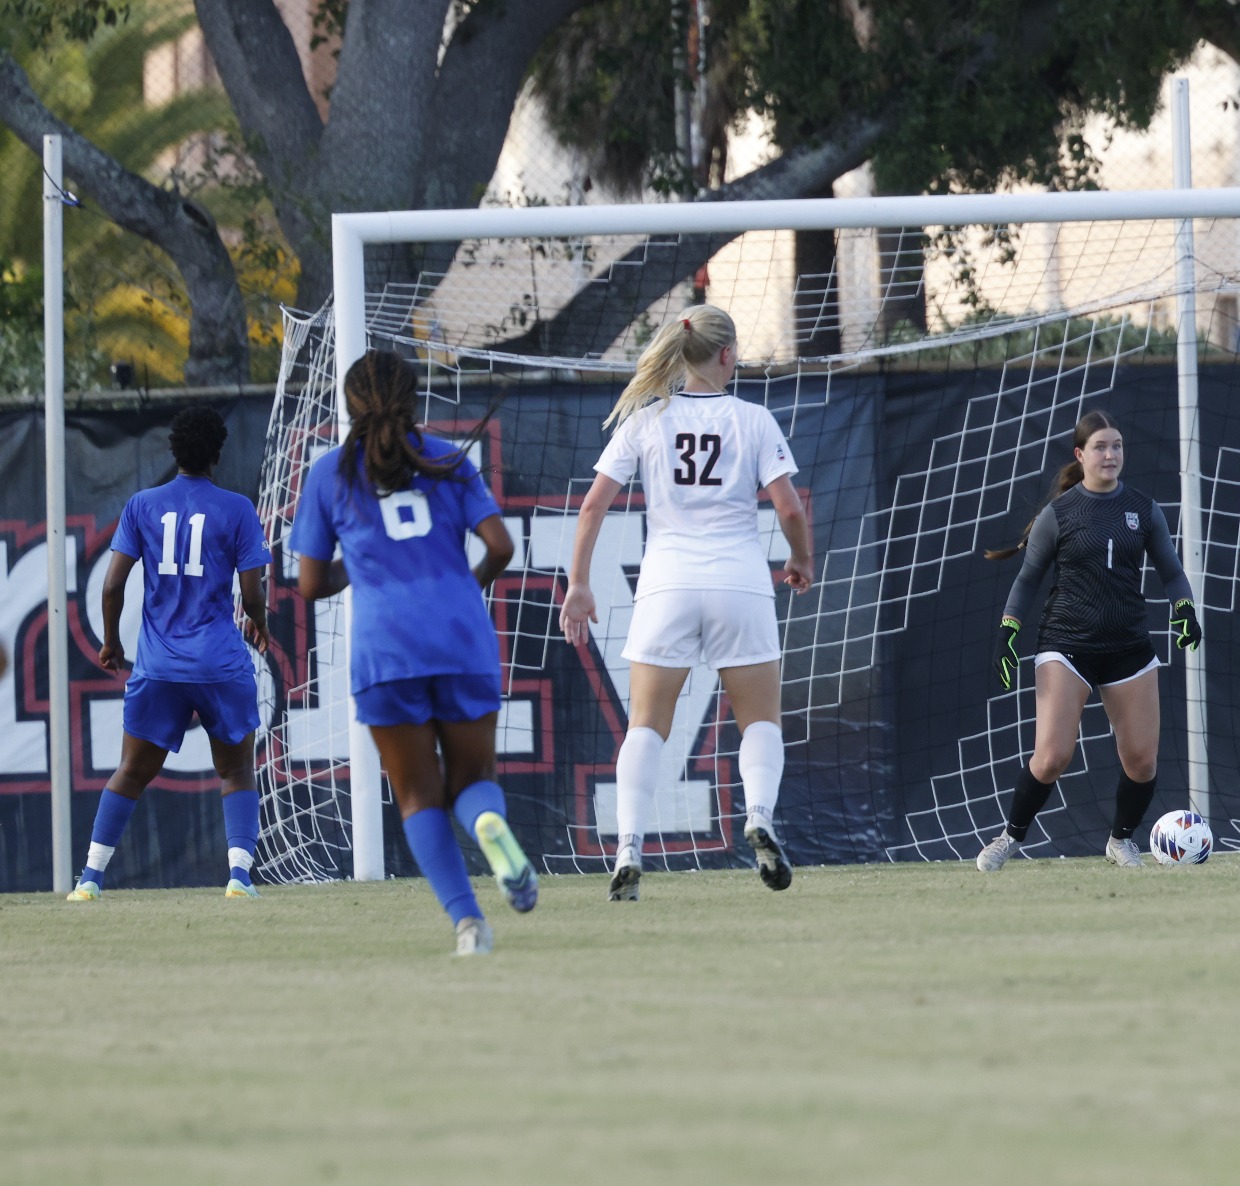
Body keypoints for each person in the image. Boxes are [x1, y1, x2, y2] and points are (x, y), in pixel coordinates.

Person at [560, 304, 814, 901]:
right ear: (726, 354)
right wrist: (801, 559)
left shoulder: (647, 421)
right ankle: (758, 815)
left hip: (667, 584)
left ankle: (627, 848)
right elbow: (790, 509)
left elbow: (592, 505)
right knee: (760, 721)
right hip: (739, 583)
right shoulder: (753, 420)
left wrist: (578, 584)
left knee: (646, 725)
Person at [290, 350, 536, 956]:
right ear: (415, 398)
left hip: (385, 648)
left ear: (347, 406)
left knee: (419, 795)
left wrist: (363, 561)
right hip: (460, 635)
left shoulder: (328, 474)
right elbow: (501, 546)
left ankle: (469, 925)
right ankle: (488, 825)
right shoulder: (449, 460)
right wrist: (462, 582)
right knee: (473, 779)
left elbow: (309, 584)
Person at [976, 410, 1203, 870]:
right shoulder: (1058, 514)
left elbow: (1173, 573)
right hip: (1066, 645)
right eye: (1100, 447)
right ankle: (1008, 838)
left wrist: (1184, 608)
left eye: (1117, 445)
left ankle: (1121, 841)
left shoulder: (1143, 509)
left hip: (1129, 647)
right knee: (1053, 756)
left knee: (1142, 761)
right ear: (1080, 456)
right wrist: (1008, 632)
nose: (1110, 454)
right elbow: (1025, 582)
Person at [69, 407, 271, 900]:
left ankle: (90, 879)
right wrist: (259, 623)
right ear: (218, 453)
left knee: (132, 771)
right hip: (219, 662)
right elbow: (251, 594)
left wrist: (111, 642)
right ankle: (239, 879)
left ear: (174, 451)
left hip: (159, 665)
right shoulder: (237, 508)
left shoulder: (143, 504)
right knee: (237, 769)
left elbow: (114, 583)